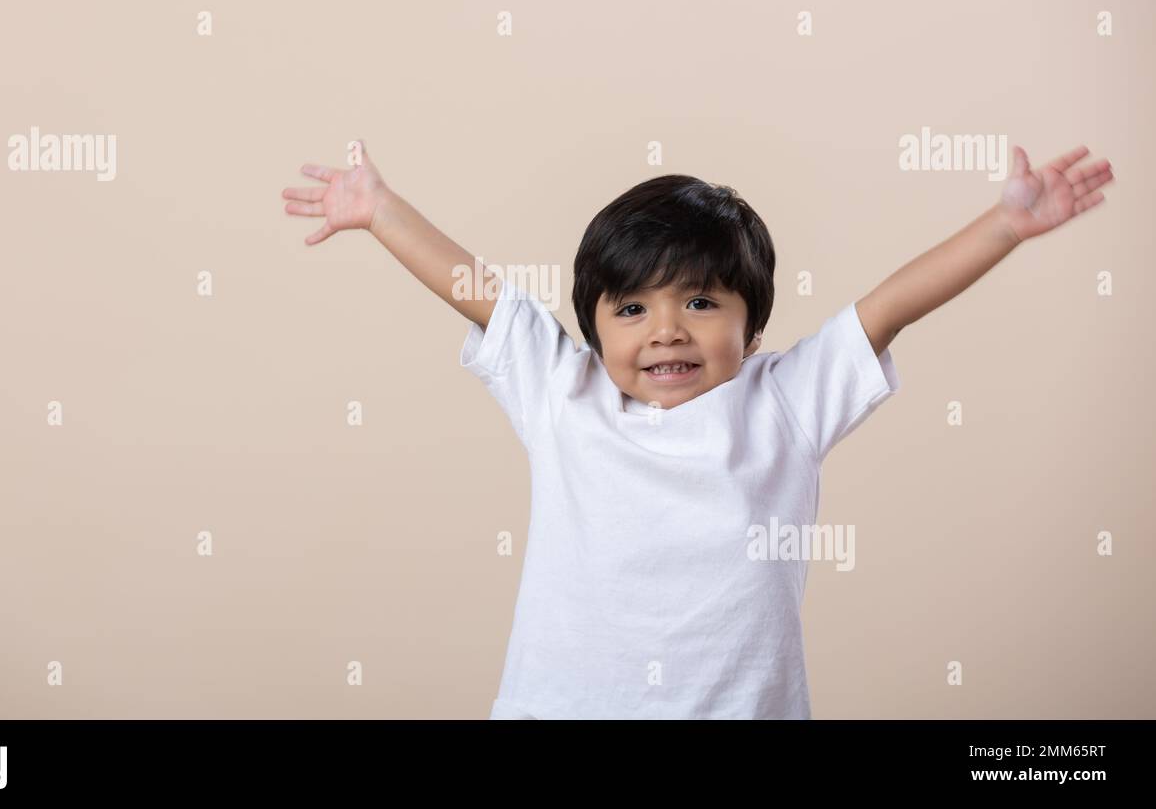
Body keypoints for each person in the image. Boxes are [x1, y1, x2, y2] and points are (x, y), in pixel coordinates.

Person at [281, 140, 1114, 719]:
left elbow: (891, 305)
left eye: (702, 302)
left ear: (753, 331)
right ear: (595, 327)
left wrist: (1005, 225)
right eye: (634, 308)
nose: (667, 330)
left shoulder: (782, 402)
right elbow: (477, 288)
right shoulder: (560, 392)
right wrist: (379, 209)